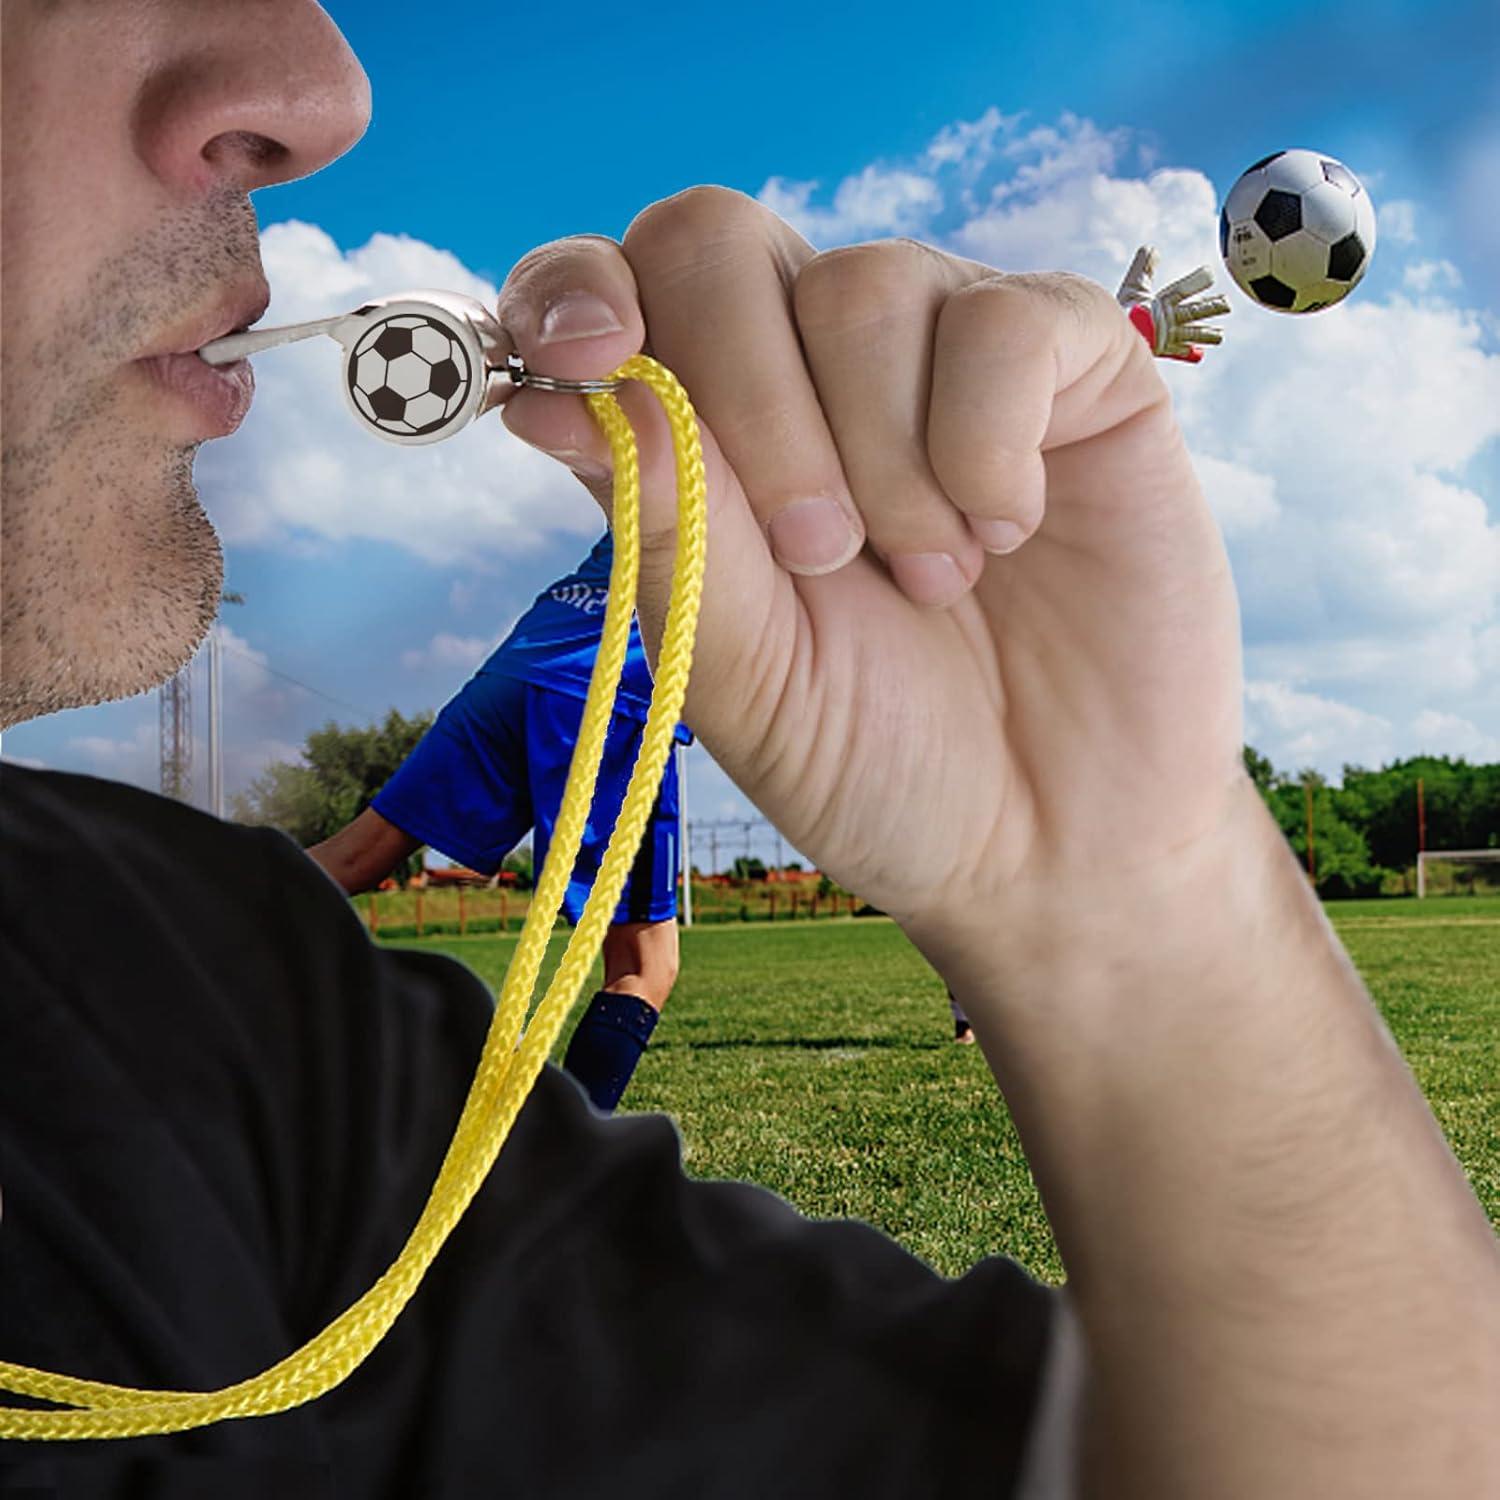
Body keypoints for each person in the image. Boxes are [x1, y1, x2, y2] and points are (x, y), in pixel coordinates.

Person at [1, 6, 1496, 1499]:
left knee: (367, 866)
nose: (321, 91)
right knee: (641, 964)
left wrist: (1130, 888)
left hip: (526, 697)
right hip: (595, 700)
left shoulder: (188, 1022)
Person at [308, 529, 692, 1113]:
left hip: (524, 659)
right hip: (608, 689)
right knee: (646, 963)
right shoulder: (789, 462)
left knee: (354, 858)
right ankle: (562, 1164)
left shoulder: (667, 443)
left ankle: (181, 932)